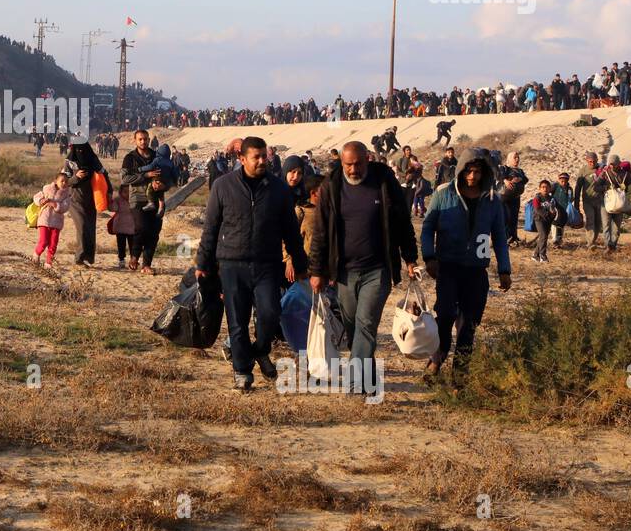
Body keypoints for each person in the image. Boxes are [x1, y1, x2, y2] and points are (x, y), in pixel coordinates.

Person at [195, 136, 306, 392]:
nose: (261, 161)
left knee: (270, 313)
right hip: (232, 265)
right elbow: (211, 227)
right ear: (242, 159)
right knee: (238, 321)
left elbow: (290, 231)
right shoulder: (223, 186)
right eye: (255, 157)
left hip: (267, 264)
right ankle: (242, 372)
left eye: (263, 157)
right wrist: (203, 261)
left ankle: (260, 350)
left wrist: (300, 263)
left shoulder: (278, 189)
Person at [309, 140, 418, 395]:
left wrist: (410, 258)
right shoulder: (331, 186)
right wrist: (317, 271)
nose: (353, 169)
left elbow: (402, 222)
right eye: (348, 164)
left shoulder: (384, 182)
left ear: (367, 159)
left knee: (366, 323)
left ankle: (355, 382)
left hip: (377, 269)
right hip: (344, 272)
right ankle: (369, 382)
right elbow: (321, 233)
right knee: (353, 328)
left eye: (358, 163)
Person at [420, 150, 512, 379]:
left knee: (468, 324)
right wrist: (429, 257)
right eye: (468, 171)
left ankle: (460, 374)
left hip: (476, 270)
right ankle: (436, 360)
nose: (472, 176)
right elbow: (428, 227)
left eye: (477, 172)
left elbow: (499, 237)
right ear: (461, 169)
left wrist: (504, 270)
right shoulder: (443, 194)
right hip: (448, 267)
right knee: (445, 315)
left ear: (484, 173)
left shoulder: (492, 200)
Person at [120, 129, 169, 273]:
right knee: (141, 227)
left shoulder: (157, 156)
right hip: (137, 199)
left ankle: (146, 265)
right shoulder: (130, 158)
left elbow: (168, 178)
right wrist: (145, 175)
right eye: (140, 139)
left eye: (145, 139)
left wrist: (163, 185)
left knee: (154, 232)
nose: (143, 142)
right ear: (134, 140)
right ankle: (134, 256)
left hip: (156, 199)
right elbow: (124, 179)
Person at [64, 133, 109, 267]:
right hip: (75, 200)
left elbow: (104, 174)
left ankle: (89, 257)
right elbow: (64, 181)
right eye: (77, 148)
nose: (80, 151)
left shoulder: (93, 159)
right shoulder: (69, 161)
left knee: (90, 228)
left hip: (91, 199)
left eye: (82, 148)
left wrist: (109, 192)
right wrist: (76, 177)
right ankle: (79, 258)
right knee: (82, 227)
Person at [32, 172, 73, 267]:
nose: (64, 183)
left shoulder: (67, 195)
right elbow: (36, 197)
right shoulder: (47, 189)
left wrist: (55, 205)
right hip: (44, 220)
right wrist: (41, 201)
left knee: (53, 244)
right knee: (43, 241)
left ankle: (48, 263)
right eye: (62, 181)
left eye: (66, 181)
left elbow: (65, 207)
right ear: (56, 181)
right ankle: (36, 254)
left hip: (57, 223)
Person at [573, 152, 604, 250]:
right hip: (587, 200)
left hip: (600, 200)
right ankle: (590, 243)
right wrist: (576, 204)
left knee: (598, 222)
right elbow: (578, 188)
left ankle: (593, 240)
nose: (592, 163)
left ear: (597, 160)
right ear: (587, 161)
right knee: (590, 219)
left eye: (594, 161)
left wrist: (603, 187)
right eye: (590, 161)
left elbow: (606, 183)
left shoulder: (601, 170)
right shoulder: (583, 171)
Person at [497, 151, 528, 245]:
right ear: (509, 159)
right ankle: (505, 238)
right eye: (515, 157)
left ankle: (513, 237)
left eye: (518, 157)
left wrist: (520, 179)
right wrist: (505, 180)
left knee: (514, 218)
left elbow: (526, 179)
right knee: (505, 217)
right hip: (504, 198)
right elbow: (498, 175)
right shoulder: (504, 168)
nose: (517, 159)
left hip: (515, 197)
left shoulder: (520, 171)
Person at [530, 180, 559, 263]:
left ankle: (535, 255)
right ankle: (543, 255)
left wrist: (553, 214)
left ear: (550, 189)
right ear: (539, 189)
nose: (545, 189)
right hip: (539, 219)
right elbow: (537, 209)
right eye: (543, 187)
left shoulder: (551, 199)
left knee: (544, 237)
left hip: (548, 220)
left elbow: (553, 209)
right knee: (543, 235)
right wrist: (547, 214)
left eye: (547, 187)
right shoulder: (537, 198)